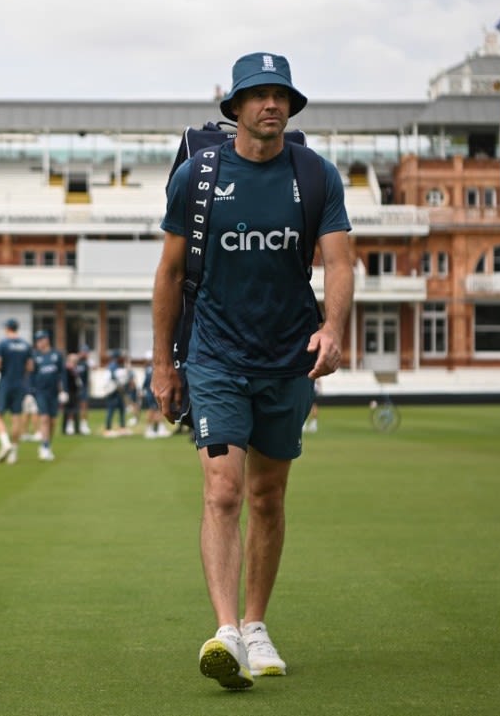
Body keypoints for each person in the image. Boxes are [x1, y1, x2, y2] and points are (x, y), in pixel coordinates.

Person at [151, 52, 353, 690]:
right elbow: (169, 274)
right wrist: (163, 365)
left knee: (268, 497)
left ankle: (258, 623)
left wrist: (335, 329)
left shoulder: (315, 176)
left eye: (281, 95)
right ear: (234, 107)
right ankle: (227, 632)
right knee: (224, 490)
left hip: (288, 357)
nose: (271, 104)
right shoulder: (198, 178)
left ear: (291, 107)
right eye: (257, 95)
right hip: (215, 358)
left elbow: (341, 264)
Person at [0, 318, 34, 464]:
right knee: (16, 417)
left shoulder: (3, 344)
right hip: (20, 384)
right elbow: (30, 367)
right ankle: (14, 452)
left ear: (7, 328)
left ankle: (5, 443)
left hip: (6, 383)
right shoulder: (25, 345)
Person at [29, 330, 66, 461]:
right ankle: (44, 447)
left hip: (54, 392)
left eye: (41, 340)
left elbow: (63, 373)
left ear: (47, 340)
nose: (39, 343)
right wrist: (30, 391)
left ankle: (48, 444)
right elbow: (31, 374)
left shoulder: (57, 355)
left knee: (53, 421)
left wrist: (64, 390)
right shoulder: (34, 356)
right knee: (44, 418)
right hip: (40, 392)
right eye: (37, 341)